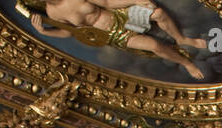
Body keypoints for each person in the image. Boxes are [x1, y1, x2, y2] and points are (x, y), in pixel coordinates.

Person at [19, 0, 208, 80]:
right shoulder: (53, 12)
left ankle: (182, 39)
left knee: (158, 13)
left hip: (119, 15)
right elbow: (71, 32)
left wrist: (135, 1)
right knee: (155, 45)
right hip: (111, 34)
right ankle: (186, 63)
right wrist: (44, 32)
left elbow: (108, 3)